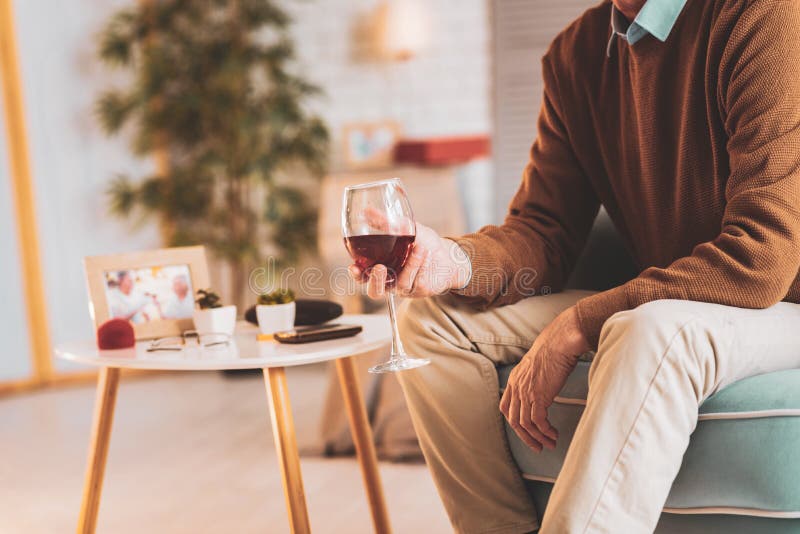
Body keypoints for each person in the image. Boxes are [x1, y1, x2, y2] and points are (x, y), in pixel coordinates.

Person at [348, 0, 800, 532]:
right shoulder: (576, 54)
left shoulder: (762, 16)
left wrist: (582, 322)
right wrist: (452, 261)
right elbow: (543, 232)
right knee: (431, 321)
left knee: (646, 329)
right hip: (676, 298)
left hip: (779, 300)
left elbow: (763, 254)